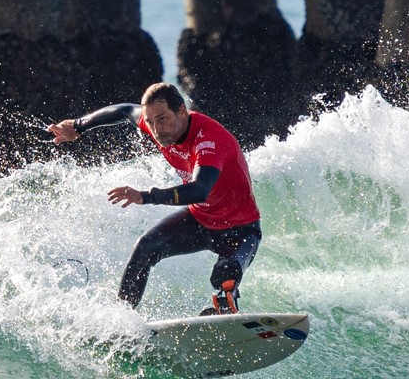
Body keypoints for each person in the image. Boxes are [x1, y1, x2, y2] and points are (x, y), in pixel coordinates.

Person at [47, 82, 262, 315]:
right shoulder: (156, 122)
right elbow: (124, 111)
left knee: (226, 271)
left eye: (162, 120)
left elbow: (199, 190)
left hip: (240, 229)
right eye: (150, 122)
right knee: (145, 246)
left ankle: (226, 307)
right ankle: (123, 317)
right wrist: (78, 125)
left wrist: (147, 196)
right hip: (200, 220)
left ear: (182, 111)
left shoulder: (210, 140)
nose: (156, 130)